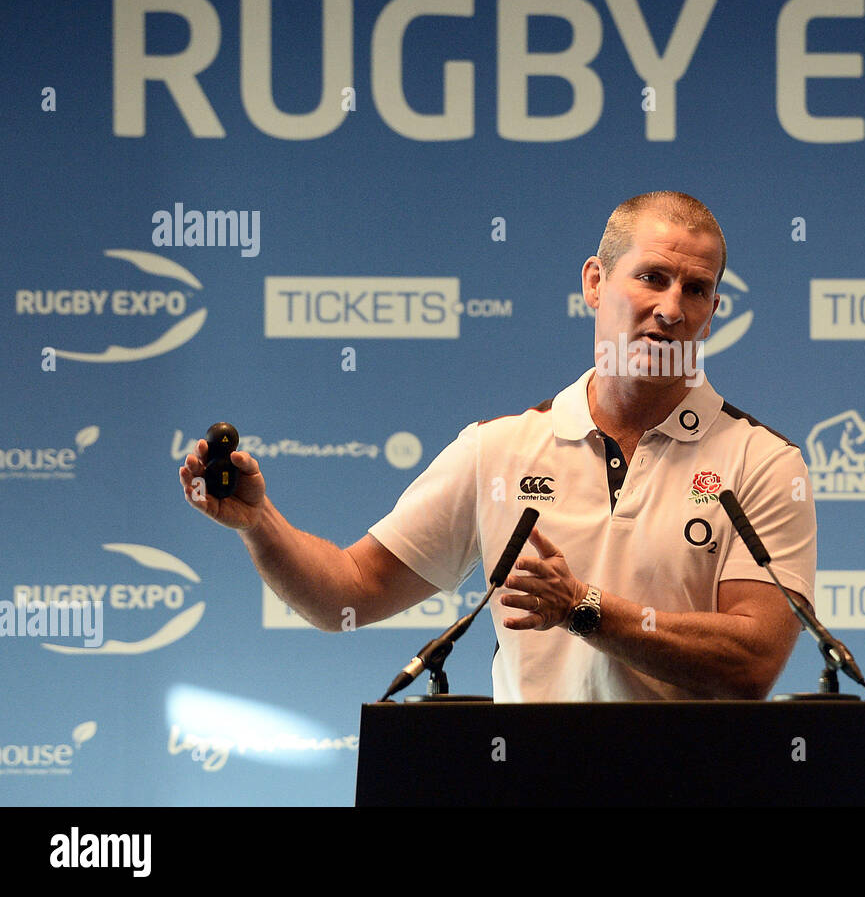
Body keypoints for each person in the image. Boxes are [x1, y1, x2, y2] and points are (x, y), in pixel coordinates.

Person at [180, 191, 816, 701]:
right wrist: (259, 523)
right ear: (595, 282)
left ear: (713, 309)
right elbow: (345, 593)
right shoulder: (499, 452)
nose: (672, 309)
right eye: (652, 277)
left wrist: (584, 610)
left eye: (696, 289)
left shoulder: (761, 462)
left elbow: (752, 661)